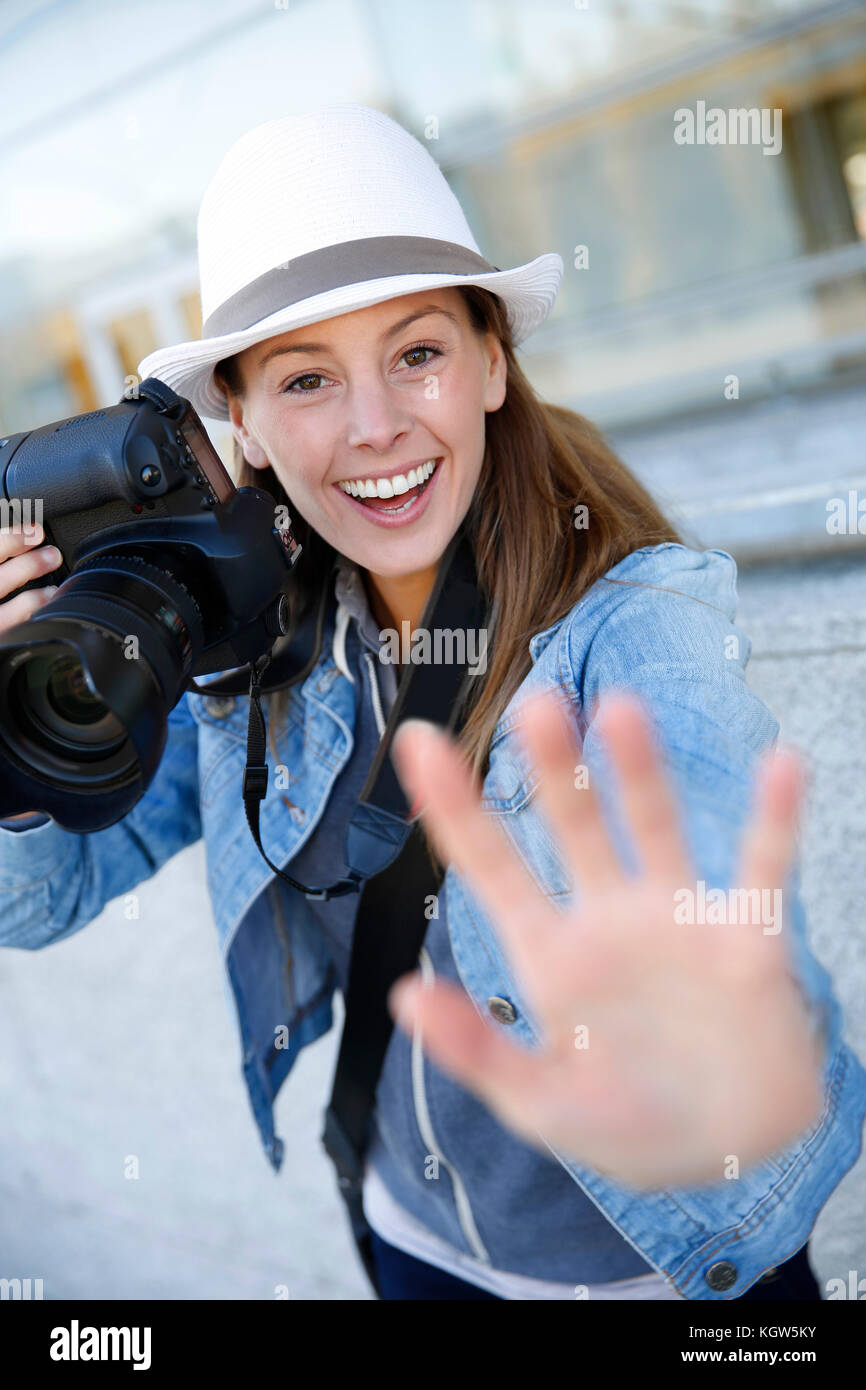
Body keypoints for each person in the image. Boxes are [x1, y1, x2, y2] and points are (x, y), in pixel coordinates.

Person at [1, 103, 864, 1302]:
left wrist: (713, 1038)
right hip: (406, 1245)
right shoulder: (249, 640)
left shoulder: (633, 624)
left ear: (493, 361)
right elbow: (43, 901)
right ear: (240, 423)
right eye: (305, 378)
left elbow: (705, 854)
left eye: (418, 353)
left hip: (652, 1284)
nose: (374, 428)